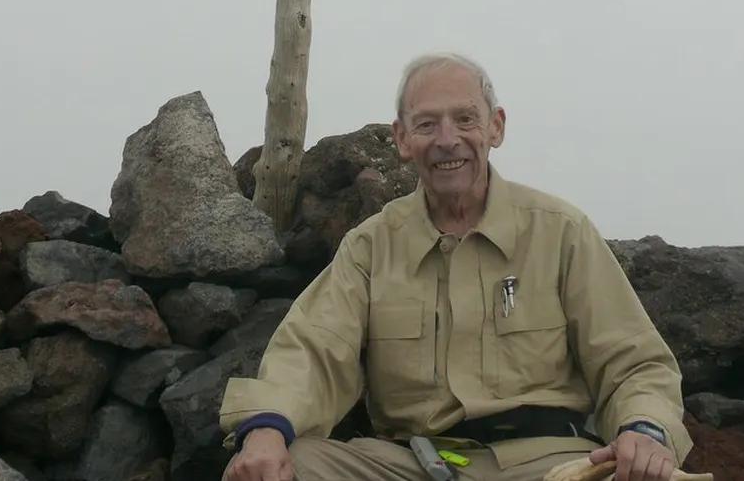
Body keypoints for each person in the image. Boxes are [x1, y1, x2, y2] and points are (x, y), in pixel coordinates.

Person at [220, 53, 693, 481]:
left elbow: (633, 361)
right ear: (402, 140)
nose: (448, 141)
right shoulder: (370, 246)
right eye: (427, 125)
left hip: (548, 463)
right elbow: (312, 352)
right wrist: (266, 427)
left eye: (465, 119)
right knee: (278, 472)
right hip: (409, 464)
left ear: (496, 127)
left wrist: (645, 429)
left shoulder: (561, 231)